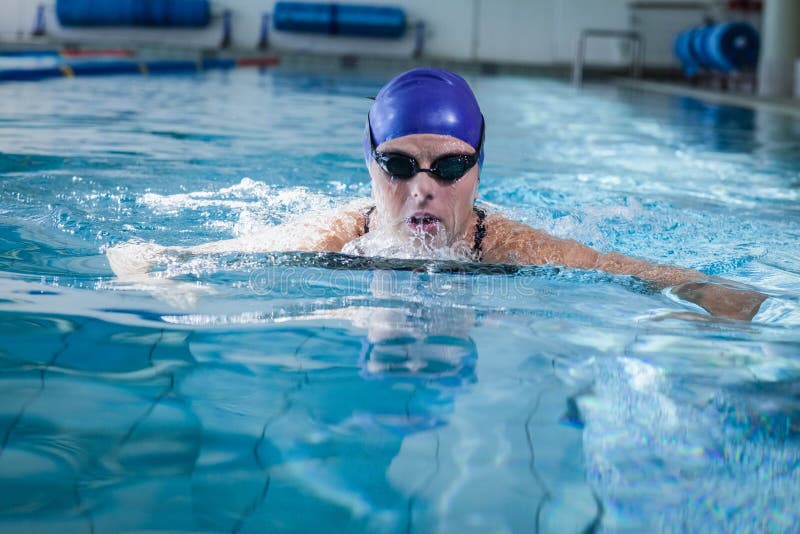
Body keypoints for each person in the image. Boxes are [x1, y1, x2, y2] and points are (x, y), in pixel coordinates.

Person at [107, 68, 767, 321]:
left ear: (479, 169)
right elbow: (138, 254)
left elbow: (691, 284)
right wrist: (168, 288)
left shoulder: (512, 245)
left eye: (450, 167)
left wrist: (711, 313)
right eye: (398, 164)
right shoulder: (332, 235)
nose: (423, 188)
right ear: (369, 164)